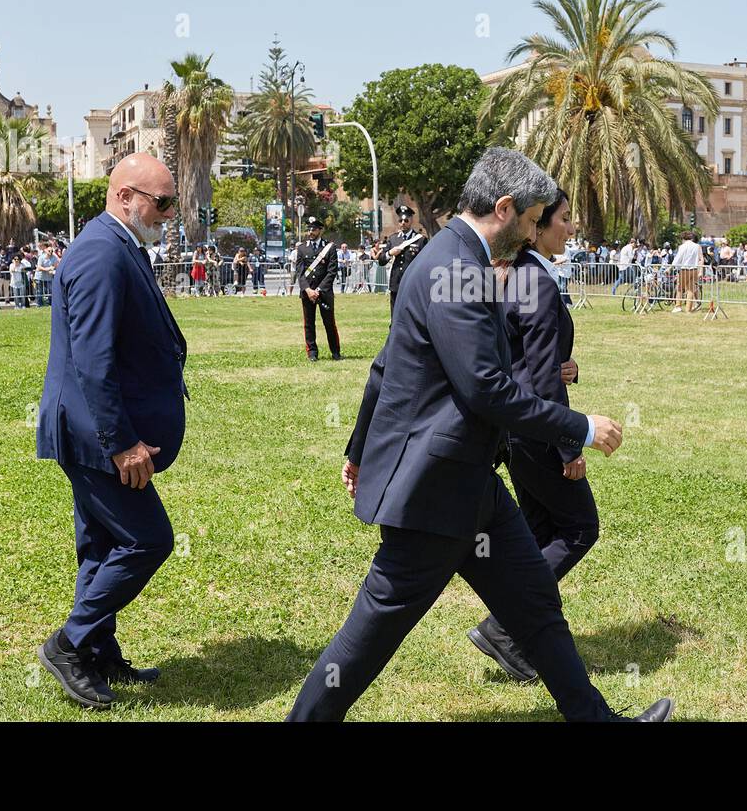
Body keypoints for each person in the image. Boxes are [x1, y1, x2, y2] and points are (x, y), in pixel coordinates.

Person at [287, 147, 672, 722]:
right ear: (505, 207)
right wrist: (581, 427)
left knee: (536, 605)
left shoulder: (454, 258)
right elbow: (487, 390)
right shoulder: (455, 270)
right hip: (435, 491)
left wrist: (359, 450)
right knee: (370, 634)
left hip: (469, 483)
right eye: (536, 218)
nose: (538, 230)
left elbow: (384, 367)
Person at [34, 153, 185, 710]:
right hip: (96, 438)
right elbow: (92, 362)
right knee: (148, 540)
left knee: (100, 545)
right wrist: (121, 442)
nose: (169, 213)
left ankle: (98, 650)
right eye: (161, 201)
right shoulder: (101, 253)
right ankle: (69, 644)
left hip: (94, 433)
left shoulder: (120, 244)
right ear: (125, 196)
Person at [466, 187, 602, 682]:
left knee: (539, 535)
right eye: (562, 219)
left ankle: (521, 636)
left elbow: (525, 358)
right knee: (579, 529)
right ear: (538, 227)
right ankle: (503, 626)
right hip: (538, 430)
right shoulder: (538, 283)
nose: (570, 228)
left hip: (515, 427)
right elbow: (541, 377)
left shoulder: (512, 277)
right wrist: (570, 444)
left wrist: (566, 367)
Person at [294, 215, 341, 361]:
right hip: (307, 292)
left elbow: (331, 271)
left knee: (329, 323)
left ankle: (335, 352)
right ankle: (312, 353)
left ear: (320, 230)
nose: (310, 232)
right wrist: (307, 290)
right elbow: (300, 272)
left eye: (313, 229)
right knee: (309, 324)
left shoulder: (329, 248)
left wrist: (319, 290)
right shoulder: (301, 248)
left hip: (324, 292)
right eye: (308, 229)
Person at [375, 204, 426, 315]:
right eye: (400, 220)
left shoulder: (420, 240)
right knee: (395, 314)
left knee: (412, 314)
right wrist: (390, 253)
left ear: (411, 221)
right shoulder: (393, 239)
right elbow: (381, 261)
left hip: (412, 282)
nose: (403, 223)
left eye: (406, 220)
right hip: (396, 282)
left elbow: (425, 263)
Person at [672, 230, 702, 313]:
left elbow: (678, 258)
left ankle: (678, 306)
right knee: (691, 290)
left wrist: (673, 266)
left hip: (685, 269)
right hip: (694, 269)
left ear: (683, 238)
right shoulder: (696, 246)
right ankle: (688, 309)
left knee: (679, 288)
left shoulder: (683, 246)